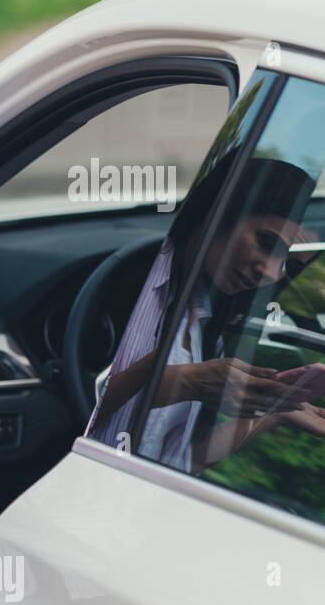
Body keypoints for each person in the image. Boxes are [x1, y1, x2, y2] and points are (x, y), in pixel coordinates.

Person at [88, 154, 325, 472]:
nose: (271, 273)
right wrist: (185, 382)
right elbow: (81, 412)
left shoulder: (204, 324)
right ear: (220, 211)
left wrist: (274, 413)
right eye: (267, 244)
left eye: (287, 263)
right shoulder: (128, 286)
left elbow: (185, 458)